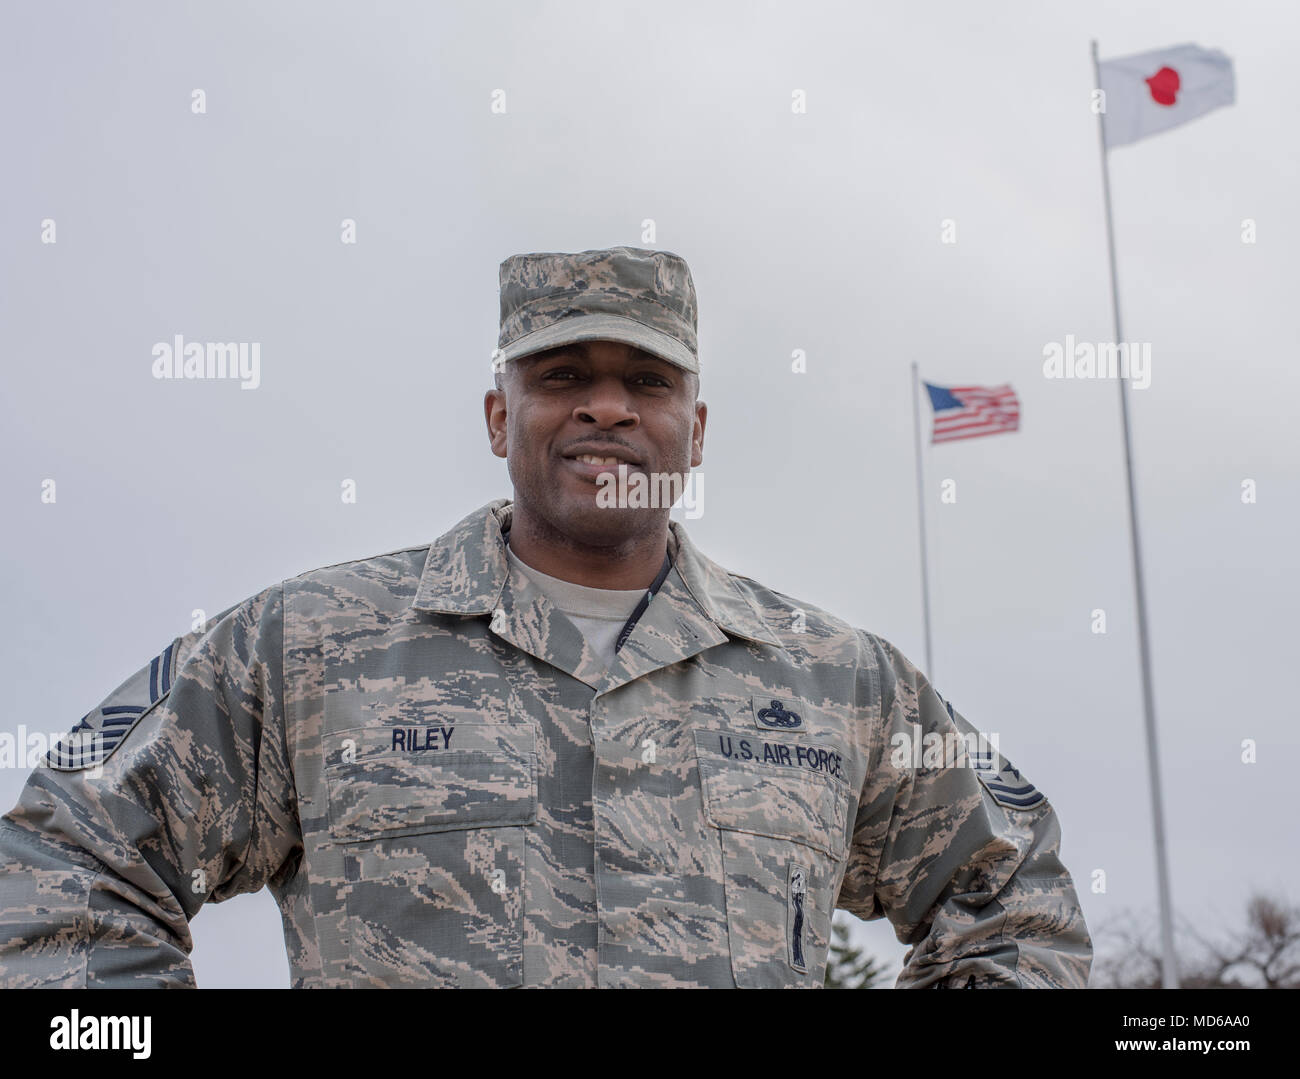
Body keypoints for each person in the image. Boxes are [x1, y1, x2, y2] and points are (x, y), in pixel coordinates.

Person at [0, 246, 1092, 988]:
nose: (605, 406)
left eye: (646, 381)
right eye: (563, 373)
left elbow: (1014, 894)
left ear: (695, 430)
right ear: (498, 415)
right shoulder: (306, 645)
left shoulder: (839, 680)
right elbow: (68, 850)